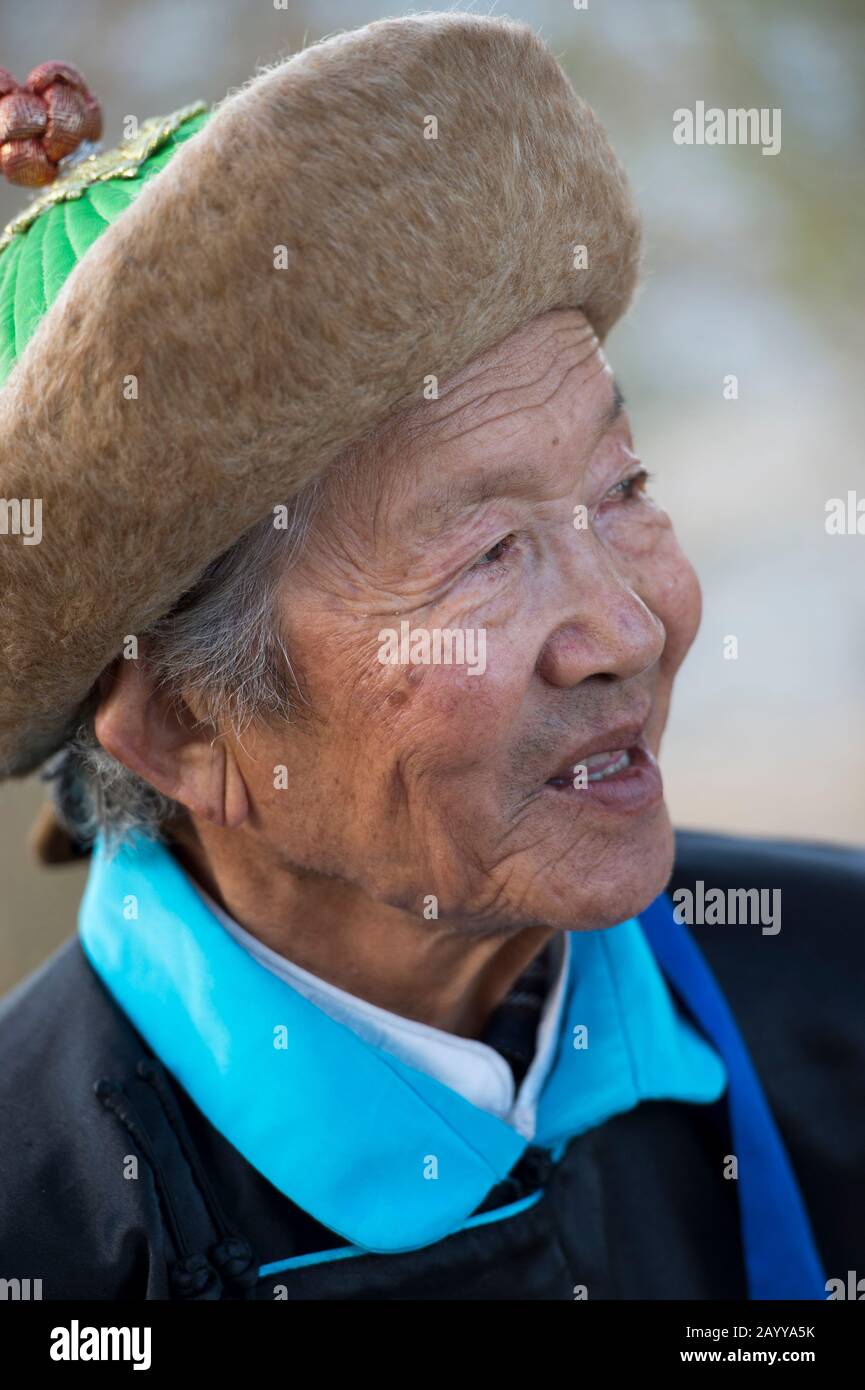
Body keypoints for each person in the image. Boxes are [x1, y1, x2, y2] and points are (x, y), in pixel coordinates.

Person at [0, 12, 862, 1302]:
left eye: (623, 486)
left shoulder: (839, 988)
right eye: (487, 556)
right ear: (184, 726)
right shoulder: (46, 1240)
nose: (631, 632)